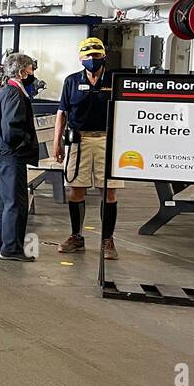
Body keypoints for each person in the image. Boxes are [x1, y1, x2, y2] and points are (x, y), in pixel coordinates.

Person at [54, 37, 122, 260]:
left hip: (108, 140)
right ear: (81, 58)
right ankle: (76, 237)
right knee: (76, 189)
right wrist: (57, 143)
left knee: (109, 190)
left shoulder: (115, 80)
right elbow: (62, 113)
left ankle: (107, 240)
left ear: (103, 55)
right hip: (78, 141)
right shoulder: (72, 81)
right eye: (88, 55)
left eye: (96, 54)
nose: (92, 59)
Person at [0, 51, 40, 262]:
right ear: (21, 72)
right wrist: (25, 142)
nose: (33, 73)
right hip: (11, 154)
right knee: (15, 202)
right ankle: (12, 248)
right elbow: (12, 130)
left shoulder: (3, 91)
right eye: (31, 69)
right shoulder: (15, 95)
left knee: (2, 199)